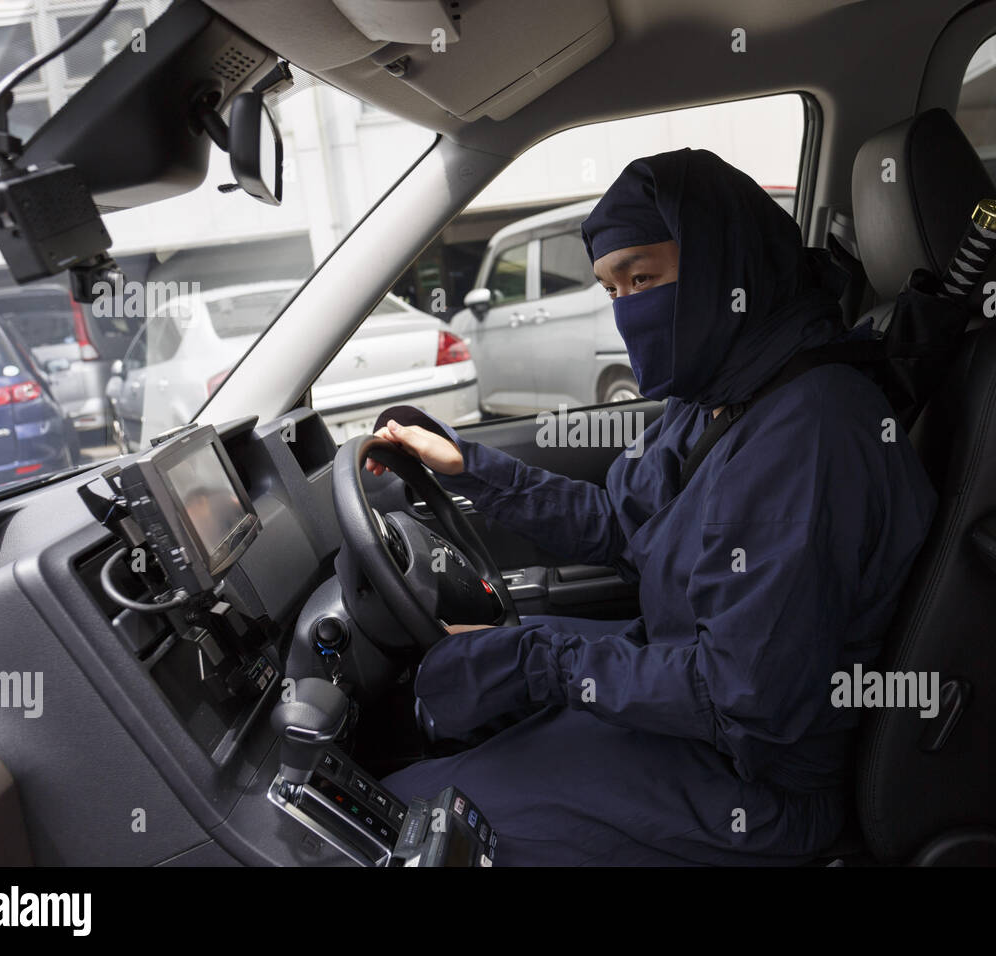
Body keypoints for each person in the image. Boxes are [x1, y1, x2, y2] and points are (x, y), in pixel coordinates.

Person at [376, 147, 938, 865]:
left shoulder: (811, 433)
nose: (627, 311)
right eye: (611, 290)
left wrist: (540, 665)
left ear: (722, 266)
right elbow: (620, 520)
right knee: (433, 774)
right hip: (689, 719)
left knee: (417, 823)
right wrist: (474, 470)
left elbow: (746, 696)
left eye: (643, 278)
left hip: (754, 786)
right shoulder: (719, 392)